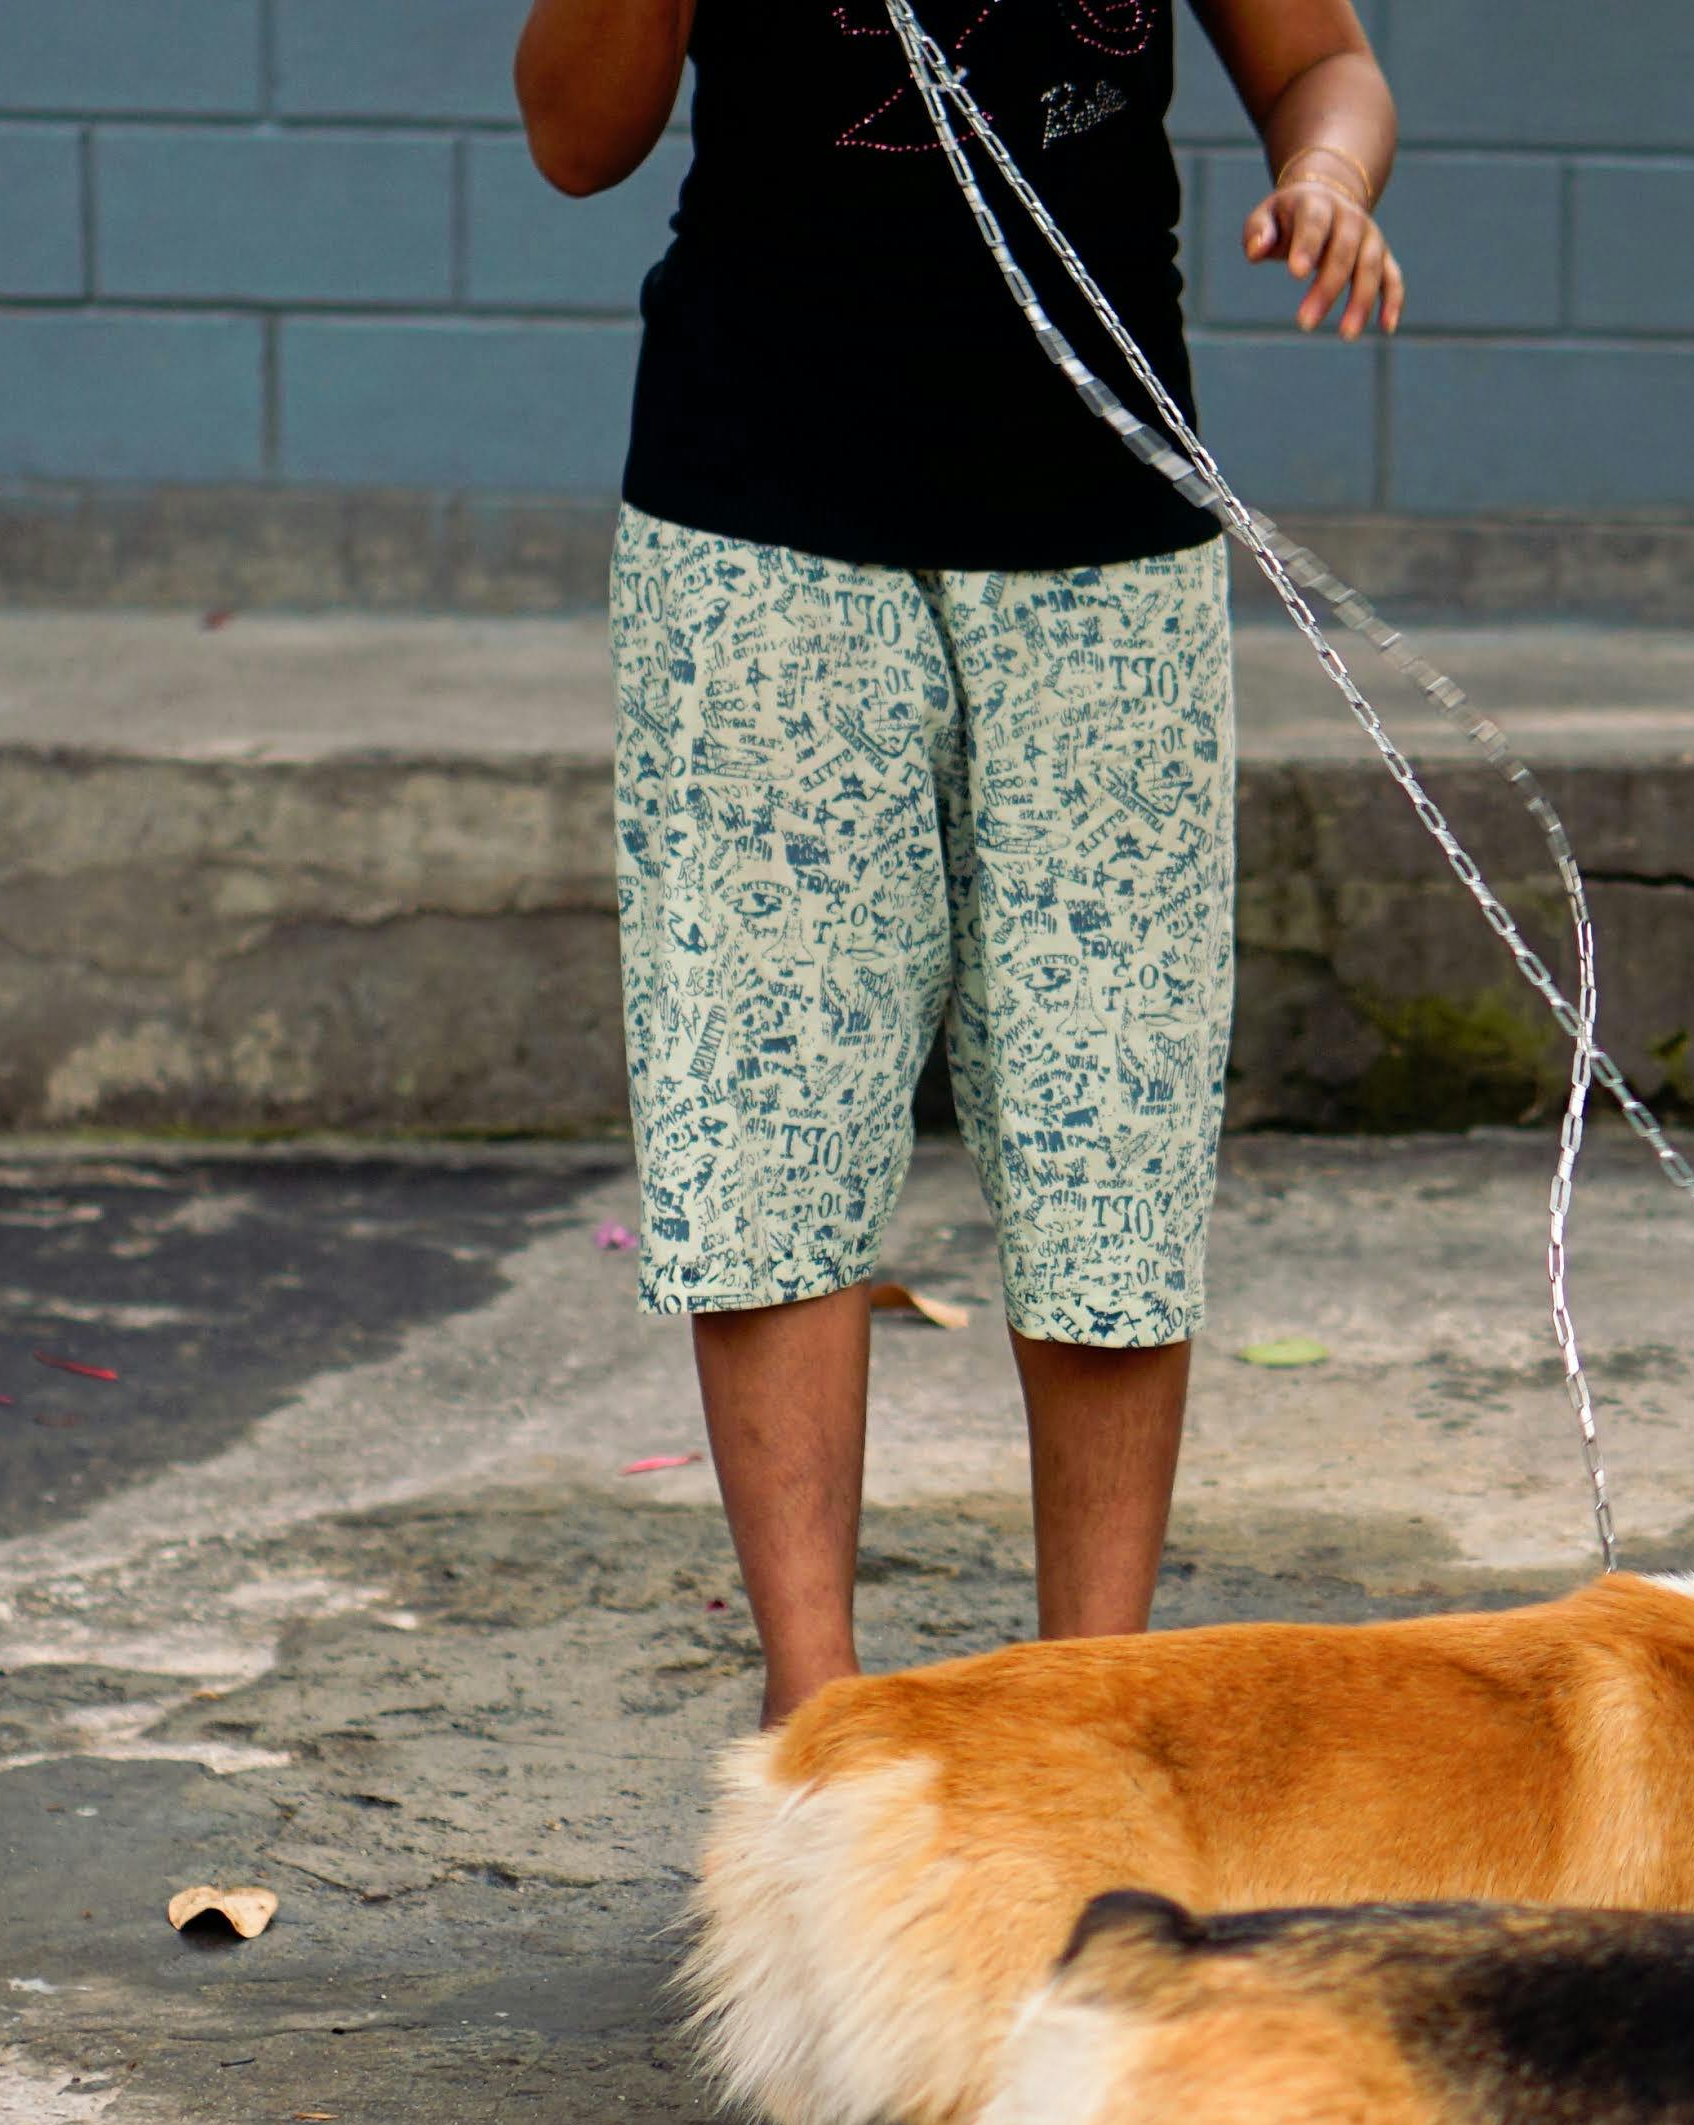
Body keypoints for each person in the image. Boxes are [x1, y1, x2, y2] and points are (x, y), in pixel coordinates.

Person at [514, 0, 1402, 1724]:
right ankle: (817, 1723)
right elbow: (573, 138)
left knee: (1109, 1120)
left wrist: (1326, 174)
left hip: (1100, 544)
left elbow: (1324, 63)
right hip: (757, 524)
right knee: (771, 1106)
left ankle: (1088, 1722)